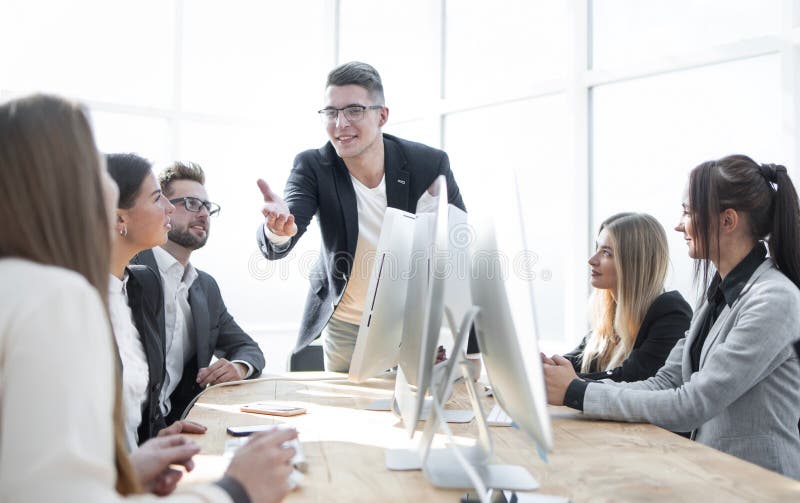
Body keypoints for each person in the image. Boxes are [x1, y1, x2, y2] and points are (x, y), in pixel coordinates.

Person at [0, 94, 295, 502]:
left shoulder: (37, 286)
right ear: (65, 184)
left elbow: (39, 474)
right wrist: (234, 490)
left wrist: (127, 468)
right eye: (91, 160)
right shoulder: (60, 298)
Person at [543, 155, 800, 480]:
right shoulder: (719, 295)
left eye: (688, 212)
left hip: (758, 485)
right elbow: (665, 382)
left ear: (728, 220)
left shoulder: (773, 300)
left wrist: (577, 393)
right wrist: (575, 387)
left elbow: (692, 405)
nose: (679, 224)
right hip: (711, 475)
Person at [255, 61, 480, 373]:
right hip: (347, 325)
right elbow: (290, 220)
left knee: (416, 413)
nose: (340, 123)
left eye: (354, 110)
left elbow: (457, 248)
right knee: (348, 414)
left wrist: (471, 346)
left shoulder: (427, 164)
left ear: (382, 115)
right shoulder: (313, 166)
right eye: (331, 112)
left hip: (411, 323)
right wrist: (278, 229)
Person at [132, 161, 265, 423]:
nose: (203, 214)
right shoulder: (130, 267)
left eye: (207, 206)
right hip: (125, 434)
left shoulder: (205, 287)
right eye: (191, 204)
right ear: (163, 208)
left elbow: (248, 348)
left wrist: (237, 368)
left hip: (176, 427)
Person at [560, 212, 691, 382]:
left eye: (606, 253)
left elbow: (633, 378)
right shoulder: (612, 314)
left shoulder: (671, 314)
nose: (592, 260)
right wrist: (545, 367)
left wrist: (566, 382)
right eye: (597, 249)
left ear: (634, 263)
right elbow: (571, 363)